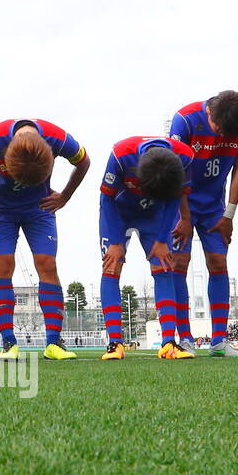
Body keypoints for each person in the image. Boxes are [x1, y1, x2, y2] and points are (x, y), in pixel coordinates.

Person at [0, 118, 90, 361]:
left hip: (38, 209)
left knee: (48, 265)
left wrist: (65, 196)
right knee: (3, 266)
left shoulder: (59, 139)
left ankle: (54, 344)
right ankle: (9, 344)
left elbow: (84, 161)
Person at [168, 90, 238, 357]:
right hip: (179, 200)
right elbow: (175, 171)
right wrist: (184, 217)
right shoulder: (184, 120)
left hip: (214, 207)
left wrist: (229, 214)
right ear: (209, 114)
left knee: (218, 263)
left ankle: (219, 341)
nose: (221, 138)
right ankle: (185, 339)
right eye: (218, 130)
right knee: (179, 265)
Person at [97, 136, 196, 360]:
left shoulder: (186, 157)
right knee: (111, 268)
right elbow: (106, 198)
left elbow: (175, 198)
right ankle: (115, 343)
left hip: (155, 216)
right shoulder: (121, 155)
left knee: (164, 268)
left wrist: (162, 239)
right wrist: (114, 241)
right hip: (118, 214)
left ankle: (168, 343)